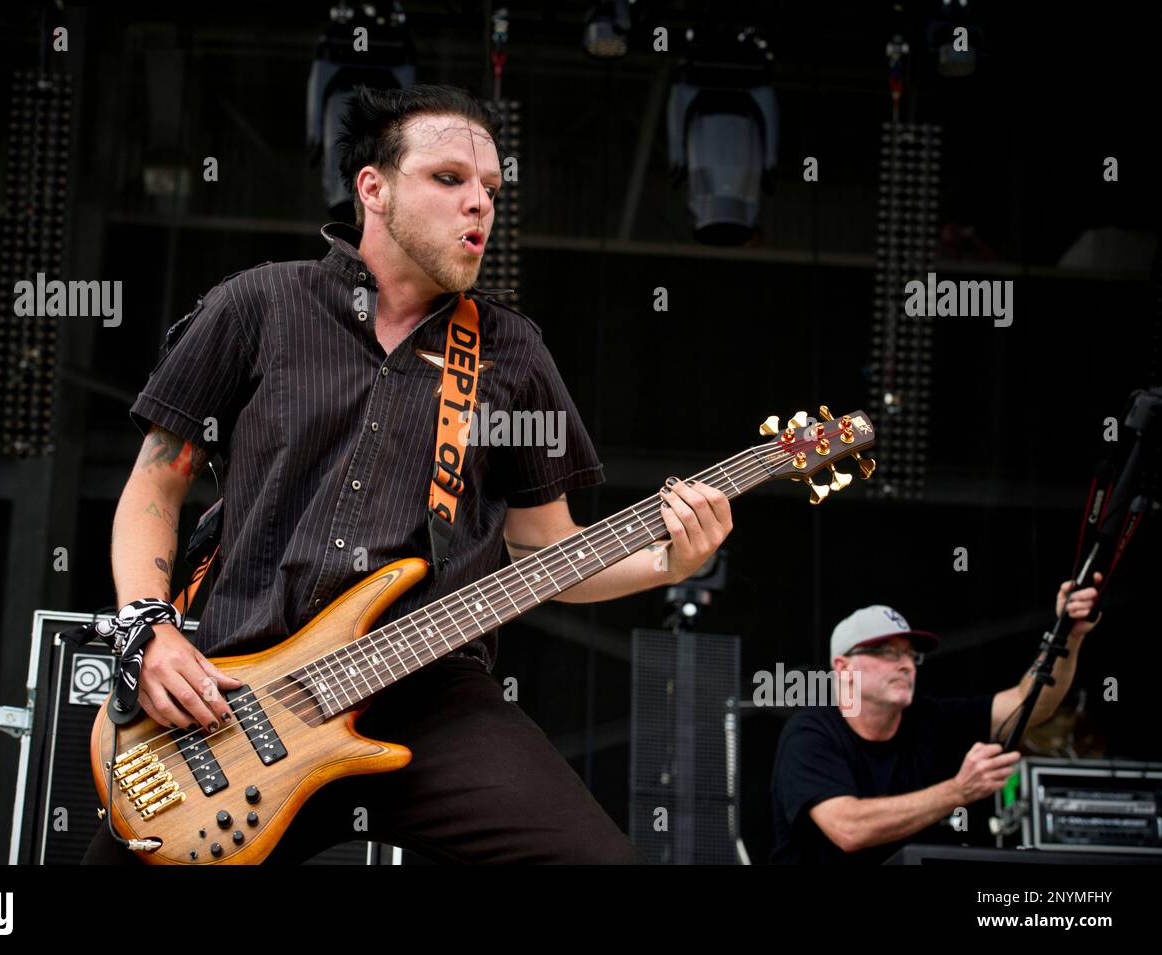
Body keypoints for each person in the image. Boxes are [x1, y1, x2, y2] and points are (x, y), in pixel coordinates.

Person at [81, 84, 733, 865]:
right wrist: (146, 628)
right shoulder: (260, 304)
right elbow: (157, 483)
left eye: (491, 189)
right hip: (243, 698)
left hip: (432, 697)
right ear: (374, 188)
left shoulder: (511, 354)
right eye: (450, 179)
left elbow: (543, 550)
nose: (480, 207)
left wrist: (670, 561)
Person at [770, 576, 1102, 864]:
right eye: (888, 652)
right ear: (843, 668)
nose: (906, 665)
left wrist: (1068, 635)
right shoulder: (811, 732)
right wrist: (958, 791)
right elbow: (848, 828)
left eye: (911, 655)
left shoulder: (930, 720)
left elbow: (1027, 704)